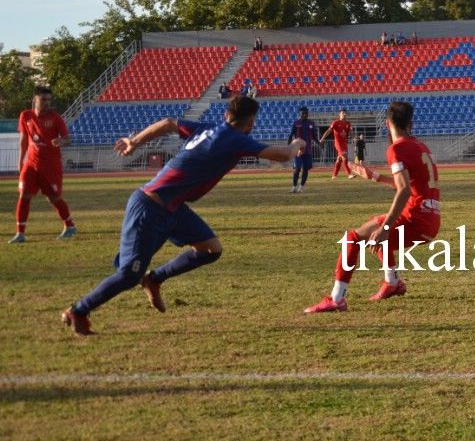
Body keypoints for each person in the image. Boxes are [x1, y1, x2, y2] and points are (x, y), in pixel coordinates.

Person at [61, 96, 304, 336]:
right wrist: (297, 144)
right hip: (149, 208)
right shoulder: (235, 139)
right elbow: (284, 155)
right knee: (128, 275)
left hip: (173, 208)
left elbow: (168, 123)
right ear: (250, 123)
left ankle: (155, 279)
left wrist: (134, 142)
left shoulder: (209, 129)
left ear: (226, 115)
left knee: (211, 249)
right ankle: (78, 311)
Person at [304, 101, 441, 312]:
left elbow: (404, 190)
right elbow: (409, 185)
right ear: (411, 124)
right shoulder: (422, 147)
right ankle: (392, 282)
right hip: (432, 221)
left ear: (387, 124)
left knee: (353, 238)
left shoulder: (397, 148)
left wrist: (386, 228)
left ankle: (336, 299)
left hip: (415, 220)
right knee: (375, 227)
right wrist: (374, 176)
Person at [11, 86, 76, 244]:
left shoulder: (55, 118)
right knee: (24, 195)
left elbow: (67, 139)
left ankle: (69, 225)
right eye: (43, 99)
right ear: (35, 99)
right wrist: (20, 161)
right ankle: (20, 233)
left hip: (50, 166)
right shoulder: (25, 115)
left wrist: (60, 141)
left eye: (49, 100)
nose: (47, 103)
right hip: (31, 164)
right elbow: (24, 140)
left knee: (53, 198)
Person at [288, 107, 321, 193]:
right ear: (300, 114)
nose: (304, 115)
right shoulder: (296, 123)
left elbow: (314, 136)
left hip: (308, 150)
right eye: (303, 113)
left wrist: (319, 143)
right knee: (297, 168)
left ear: (308, 114)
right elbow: (291, 135)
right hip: (297, 150)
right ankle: (294, 187)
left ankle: (301, 187)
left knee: (305, 169)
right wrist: (288, 146)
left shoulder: (311, 123)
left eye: (306, 113)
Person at [319, 109, 353, 179]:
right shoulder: (336, 123)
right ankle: (349, 174)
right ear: (339, 114)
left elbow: (351, 132)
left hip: (344, 143)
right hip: (338, 143)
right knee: (344, 157)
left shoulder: (348, 124)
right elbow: (329, 131)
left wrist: (354, 138)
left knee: (339, 159)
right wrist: (322, 138)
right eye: (343, 113)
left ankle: (334, 175)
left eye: (345, 113)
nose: (344, 114)